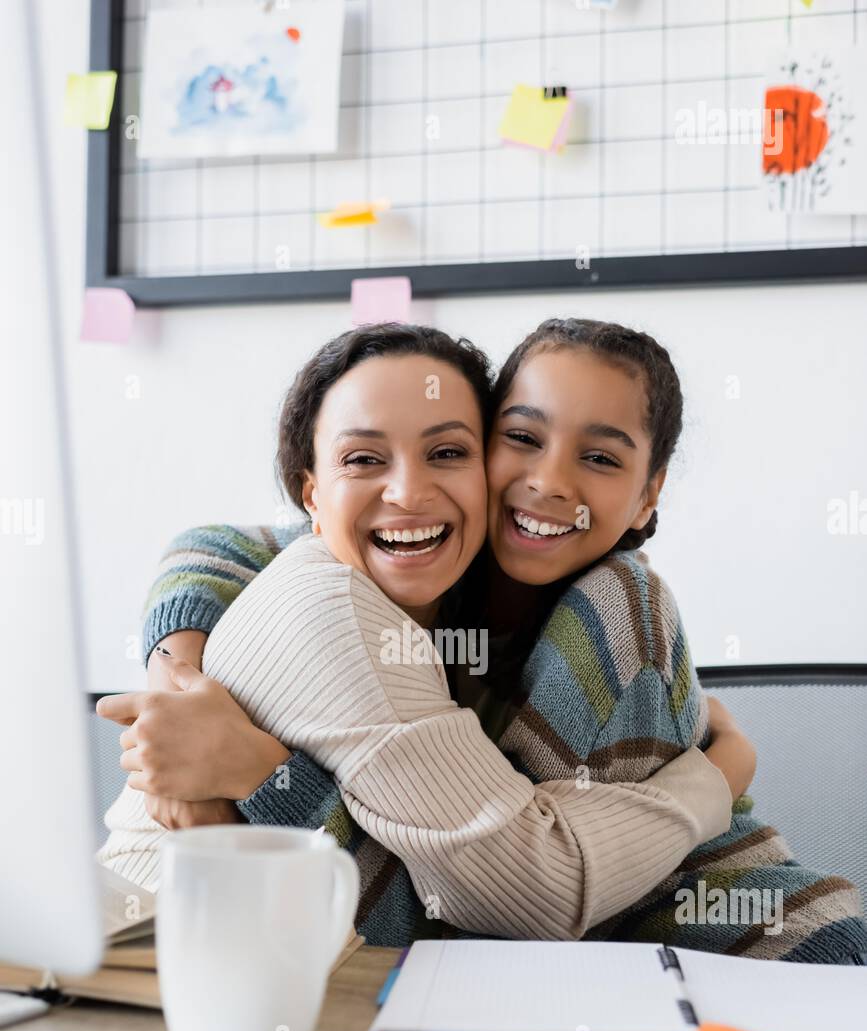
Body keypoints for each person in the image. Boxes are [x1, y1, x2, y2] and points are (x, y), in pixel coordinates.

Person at [100, 320, 865, 959]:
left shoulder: (613, 612)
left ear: (647, 495)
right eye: (522, 438)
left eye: (599, 458)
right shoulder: (425, 566)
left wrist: (719, 774)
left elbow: (535, 898)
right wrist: (179, 683)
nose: (549, 481)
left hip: (704, 921)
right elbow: (221, 545)